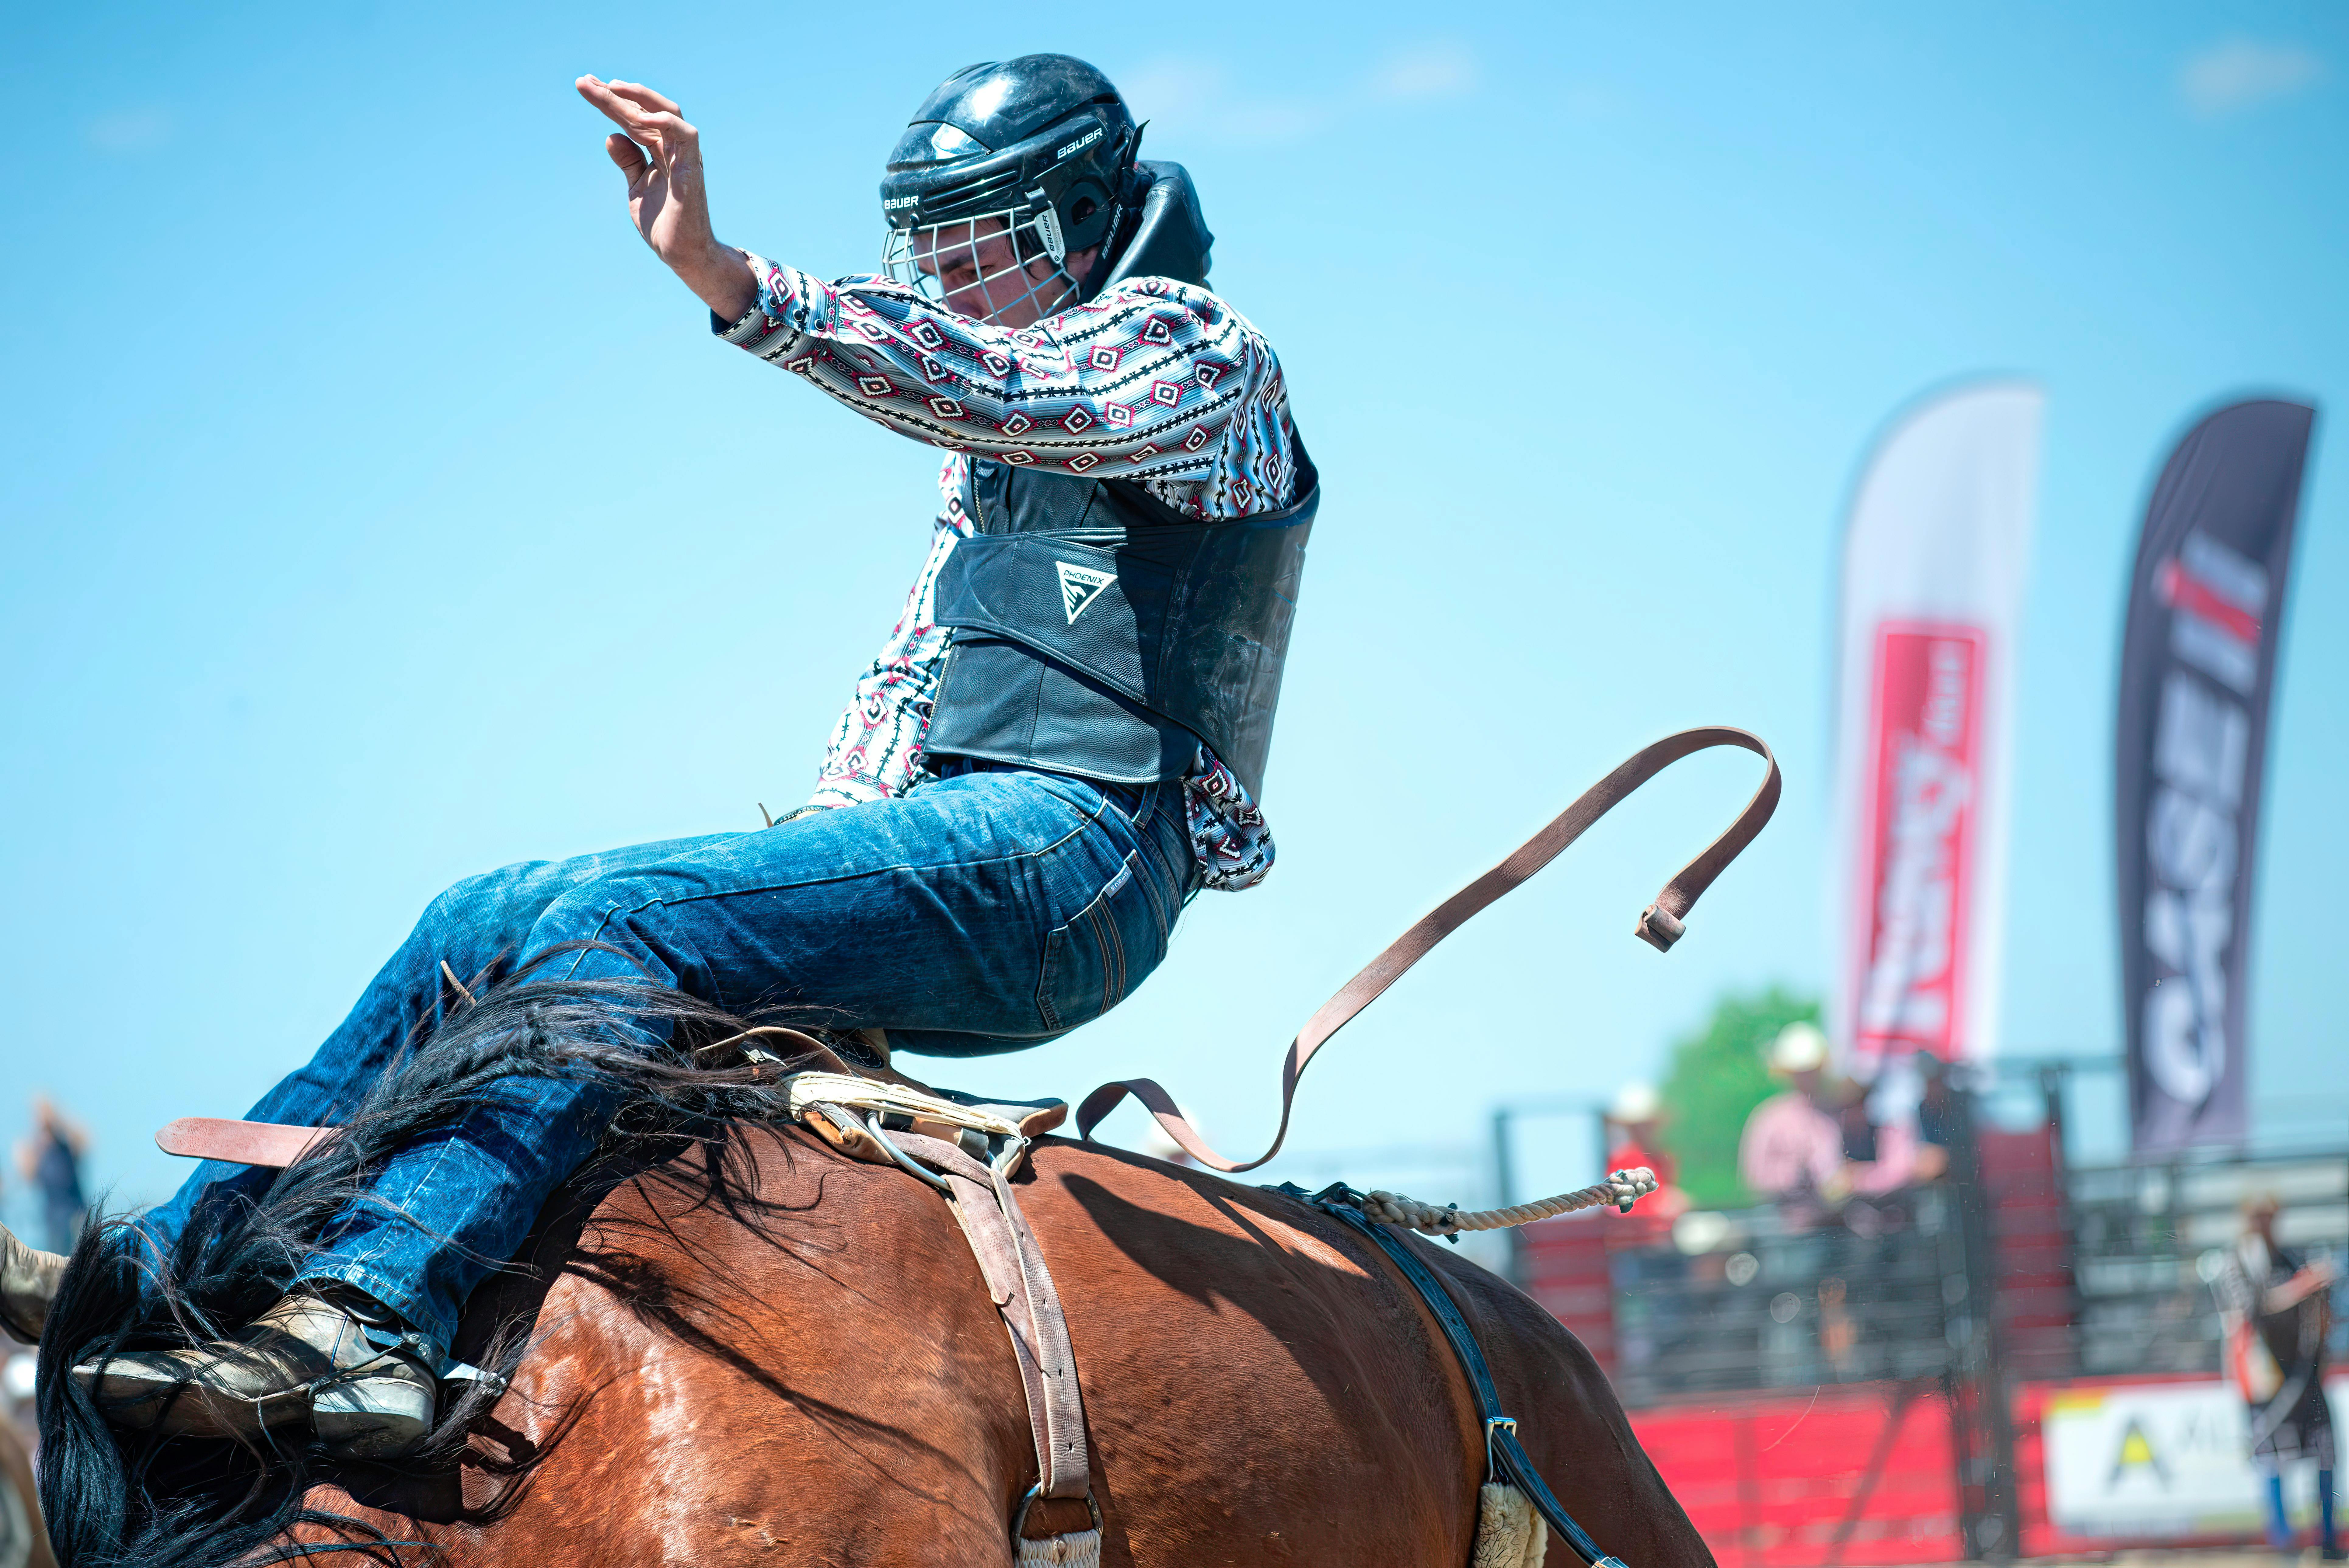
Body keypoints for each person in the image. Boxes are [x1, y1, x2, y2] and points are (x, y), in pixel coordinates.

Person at [0, 55, 1318, 1461]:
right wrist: (801, 875)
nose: (952, 282)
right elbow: (904, 687)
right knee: (487, 913)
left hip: (1078, 857)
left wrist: (722, 273)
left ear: (1083, 219)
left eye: (980, 248)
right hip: (972, 846)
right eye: (928, 252)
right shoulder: (981, 455)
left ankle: (369, 1315)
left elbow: (995, 384)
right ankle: (172, 1278)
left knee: (623, 919)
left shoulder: (1191, 355)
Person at [2214, 1193, 2339, 1558]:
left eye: (2269, 1216)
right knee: (2272, 1460)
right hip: (2265, 1377)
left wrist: (2319, 1288)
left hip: (2304, 1373)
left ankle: (2328, 1541)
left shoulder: (2291, 1257)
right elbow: (2253, 1307)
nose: (2264, 1223)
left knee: (2325, 1455)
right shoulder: (2236, 1263)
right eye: (2257, 1216)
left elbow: (2316, 1307)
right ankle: (2285, 1546)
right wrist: (2305, 1286)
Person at [16, 1097, 88, 1255]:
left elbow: (85, 1140)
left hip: (76, 1214)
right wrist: (37, 1140)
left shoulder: (66, 1146)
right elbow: (26, 1170)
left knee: (80, 1256)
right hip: (54, 1221)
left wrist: (58, 1120)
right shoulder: (39, 1154)